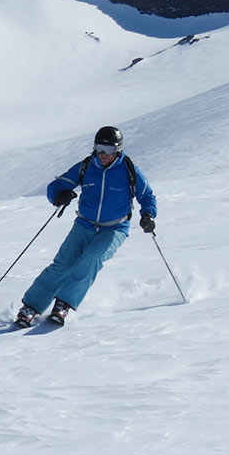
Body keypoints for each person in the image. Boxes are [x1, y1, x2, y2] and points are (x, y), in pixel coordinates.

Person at [15, 126, 157, 326]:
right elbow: (55, 187)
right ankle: (31, 307)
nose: (103, 154)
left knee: (92, 258)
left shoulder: (128, 170)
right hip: (84, 225)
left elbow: (147, 196)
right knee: (62, 264)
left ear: (118, 149)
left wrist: (148, 215)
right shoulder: (87, 166)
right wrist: (58, 196)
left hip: (114, 228)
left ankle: (63, 304)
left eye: (108, 150)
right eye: (99, 148)